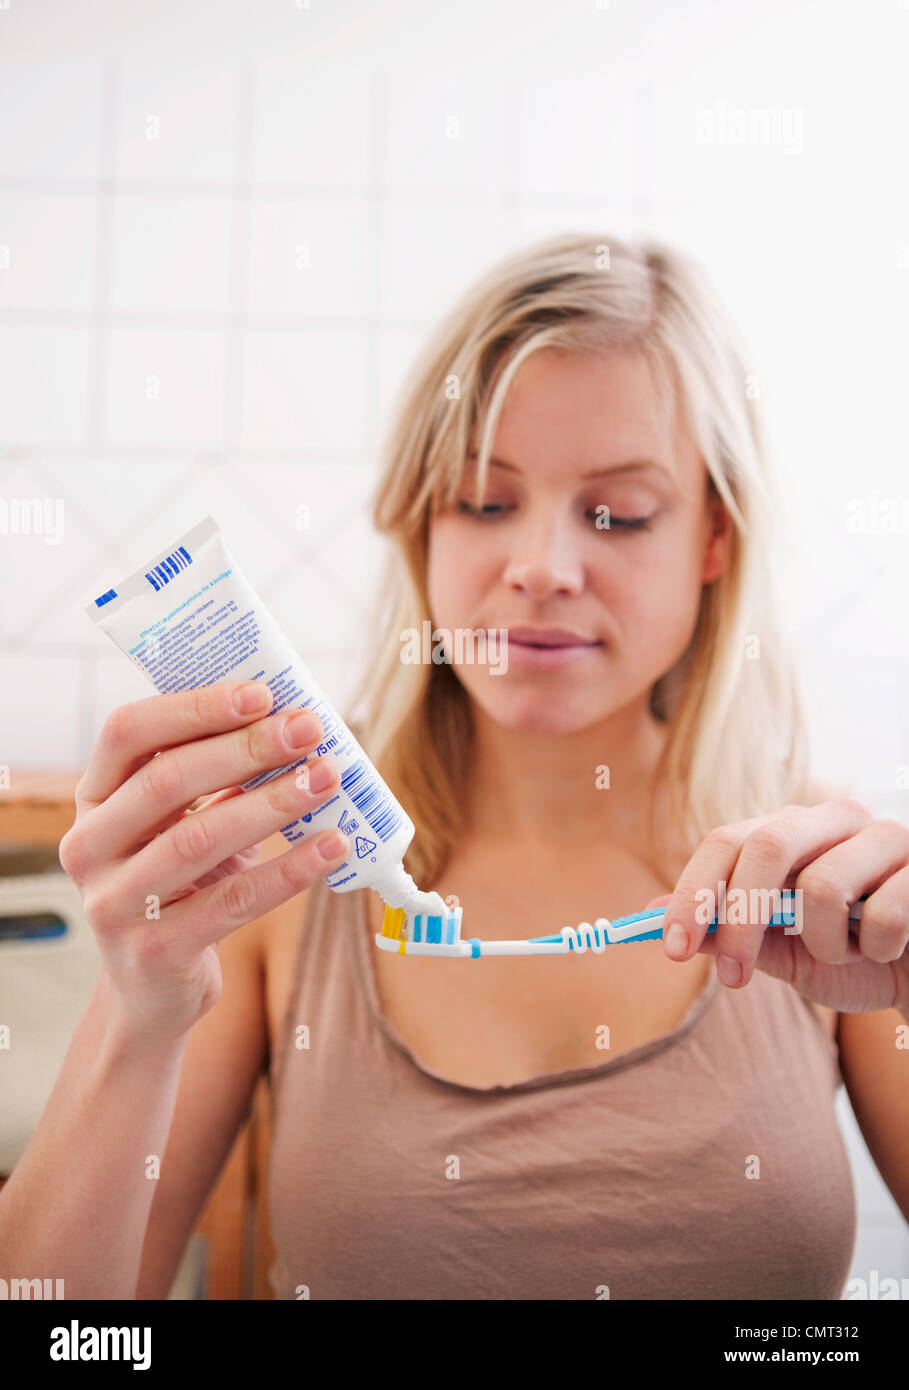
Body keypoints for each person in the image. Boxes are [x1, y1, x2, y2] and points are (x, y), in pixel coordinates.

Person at [1, 234, 906, 1300]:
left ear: (714, 537)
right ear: (421, 522)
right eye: (484, 501)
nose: (541, 568)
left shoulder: (825, 880)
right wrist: (139, 1012)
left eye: (617, 512)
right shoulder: (285, 875)